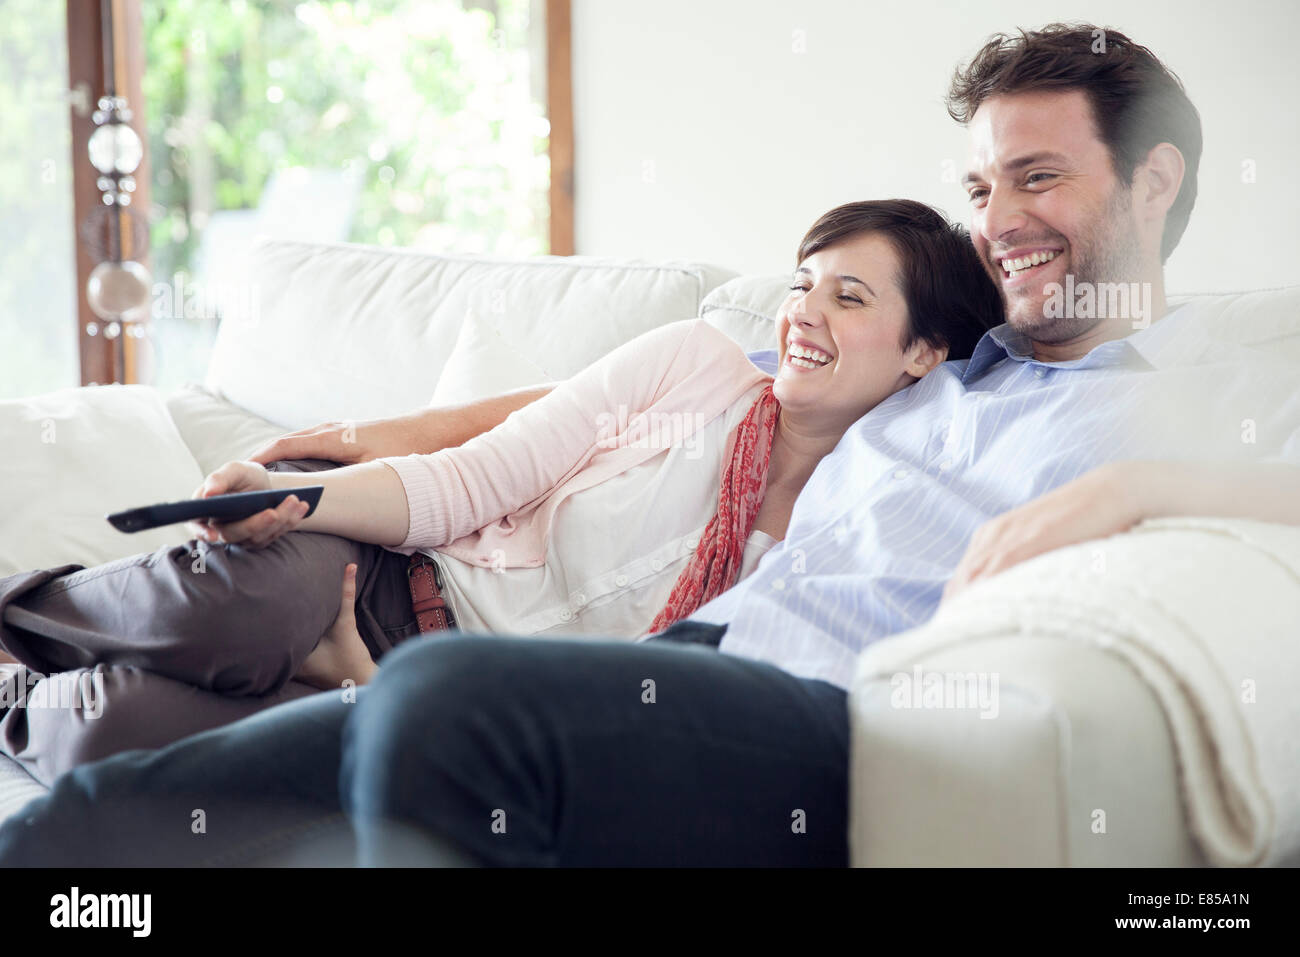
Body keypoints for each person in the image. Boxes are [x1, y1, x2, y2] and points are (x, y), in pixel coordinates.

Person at [2, 23, 1298, 868]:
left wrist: (1150, 480)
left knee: (434, 697)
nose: (999, 218)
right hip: (684, 673)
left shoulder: (1199, 385)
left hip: (846, 722)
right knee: (102, 824)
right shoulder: (937, 356)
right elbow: (598, 395)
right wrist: (350, 446)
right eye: (983, 185)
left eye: (1040, 177)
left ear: (1158, 181)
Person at [0, 199, 1003, 784]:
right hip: (396, 569)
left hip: (451, 703)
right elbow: (474, 478)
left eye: (848, 296)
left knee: (103, 738)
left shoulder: (849, 536)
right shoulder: (695, 365)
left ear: (922, 354)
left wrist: (364, 689)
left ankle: (15, 696)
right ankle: (19, 620)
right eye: (802, 282)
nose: (802, 313)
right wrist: (298, 499)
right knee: (253, 598)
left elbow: (637, 734)